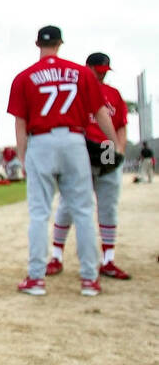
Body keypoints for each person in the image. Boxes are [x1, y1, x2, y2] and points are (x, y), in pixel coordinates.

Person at [8, 26, 114, 296]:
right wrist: (112, 143)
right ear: (60, 43)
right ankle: (90, 279)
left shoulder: (24, 77)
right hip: (73, 140)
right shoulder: (81, 73)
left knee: (39, 213)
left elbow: (20, 123)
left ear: (37, 44)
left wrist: (23, 157)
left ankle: (36, 278)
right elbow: (100, 113)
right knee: (82, 211)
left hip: (40, 141)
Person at [48, 52, 130, 280]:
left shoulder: (113, 94)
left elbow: (121, 124)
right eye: (98, 71)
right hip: (81, 146)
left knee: (108, 204)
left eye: (104, 73)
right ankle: (56, 256)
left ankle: (108, 260)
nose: (101, 77)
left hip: (105, 149)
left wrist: (120, 149)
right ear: (88, 68)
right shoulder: (75, 90)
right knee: (68, 203)